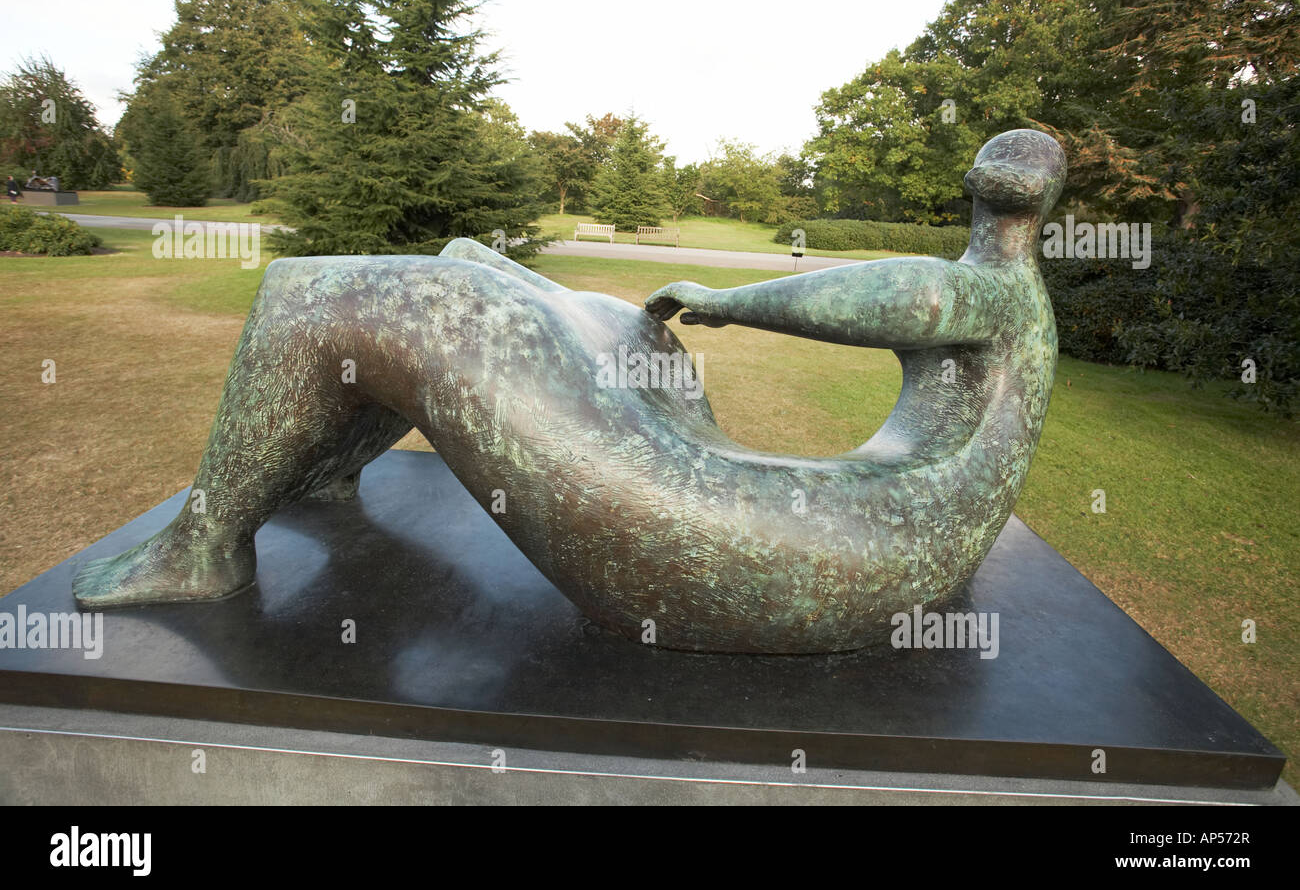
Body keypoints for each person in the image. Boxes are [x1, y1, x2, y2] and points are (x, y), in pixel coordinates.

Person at [71, 130, 1067, 654]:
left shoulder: (987, 293)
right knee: (478, 267)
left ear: (983, 191)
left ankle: (204, 547)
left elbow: (892, 294)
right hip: (862, 544)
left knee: (312, 298)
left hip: (790, 549)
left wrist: (730, 300)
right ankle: (325, 461)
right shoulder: (1018, 306)